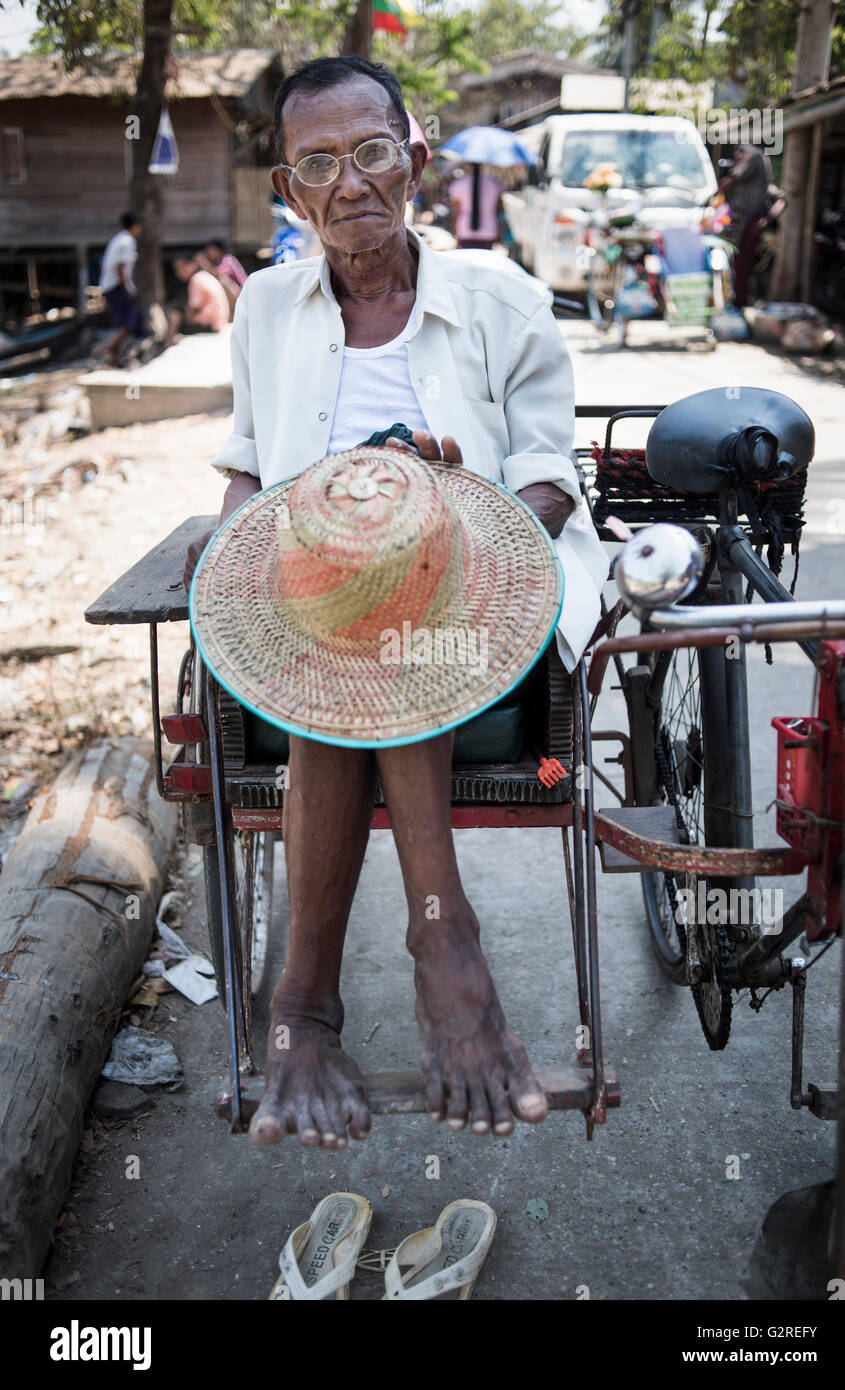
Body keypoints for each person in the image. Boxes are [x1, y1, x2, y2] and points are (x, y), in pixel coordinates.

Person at [183, 55, 608, 1152]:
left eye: (372, 152)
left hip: (480, 617)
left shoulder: (501, 296)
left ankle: (306, 1003)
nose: (350, 183)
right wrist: (245, 546)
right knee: (347, 622)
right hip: (309, 617)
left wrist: (456, 513)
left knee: (391, 609)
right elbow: (242, 465)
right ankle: (446, 952)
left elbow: (555, 473)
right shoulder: (269, 307)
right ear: (289, 190)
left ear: (415, 159)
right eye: (317, 164)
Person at [720, 143, 772, 308]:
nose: (737, 160)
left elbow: (734, 177)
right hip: (745, 219)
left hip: (749, 219)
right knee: (739, 262)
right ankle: (738, 298)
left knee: (741, 262)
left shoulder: (755, 157)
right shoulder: (759, 159)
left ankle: (739, 302)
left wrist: (716, 192)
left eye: (738, 157)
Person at [98, 211, 144, 366]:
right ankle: (109, 348)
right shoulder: (127, 241)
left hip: (109, 285)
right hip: (117, 286)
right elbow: (120, 268)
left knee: (121, 322)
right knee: (130, 321)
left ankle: (114, 357)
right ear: (135, 226)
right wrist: (127, 289)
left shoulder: (117, 239)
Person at [164, 254, 230, 347]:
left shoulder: (196, 279)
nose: (179, 272)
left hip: (210, 325)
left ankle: (168, 343)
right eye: (176, 269)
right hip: (216, 323)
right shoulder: (203, 276)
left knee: (176, 312)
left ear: (192, 265)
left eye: (182, 267)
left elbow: (194, 307)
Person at [448, 163, 503, 249]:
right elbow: (499, 209)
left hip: (464, 230)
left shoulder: (459, 185)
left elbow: (457, 211)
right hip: (488, 230)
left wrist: (455, 231)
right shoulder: (494, 184)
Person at [195, 239, 247, 320]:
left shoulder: (228, 259)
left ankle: (235, 314)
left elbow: (219, 274)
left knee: (224, 281)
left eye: (212, 249)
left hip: (242, 292)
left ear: (219, 250)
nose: (209, 252)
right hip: (235, 294)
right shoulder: (215, 262)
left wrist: (204, 264)